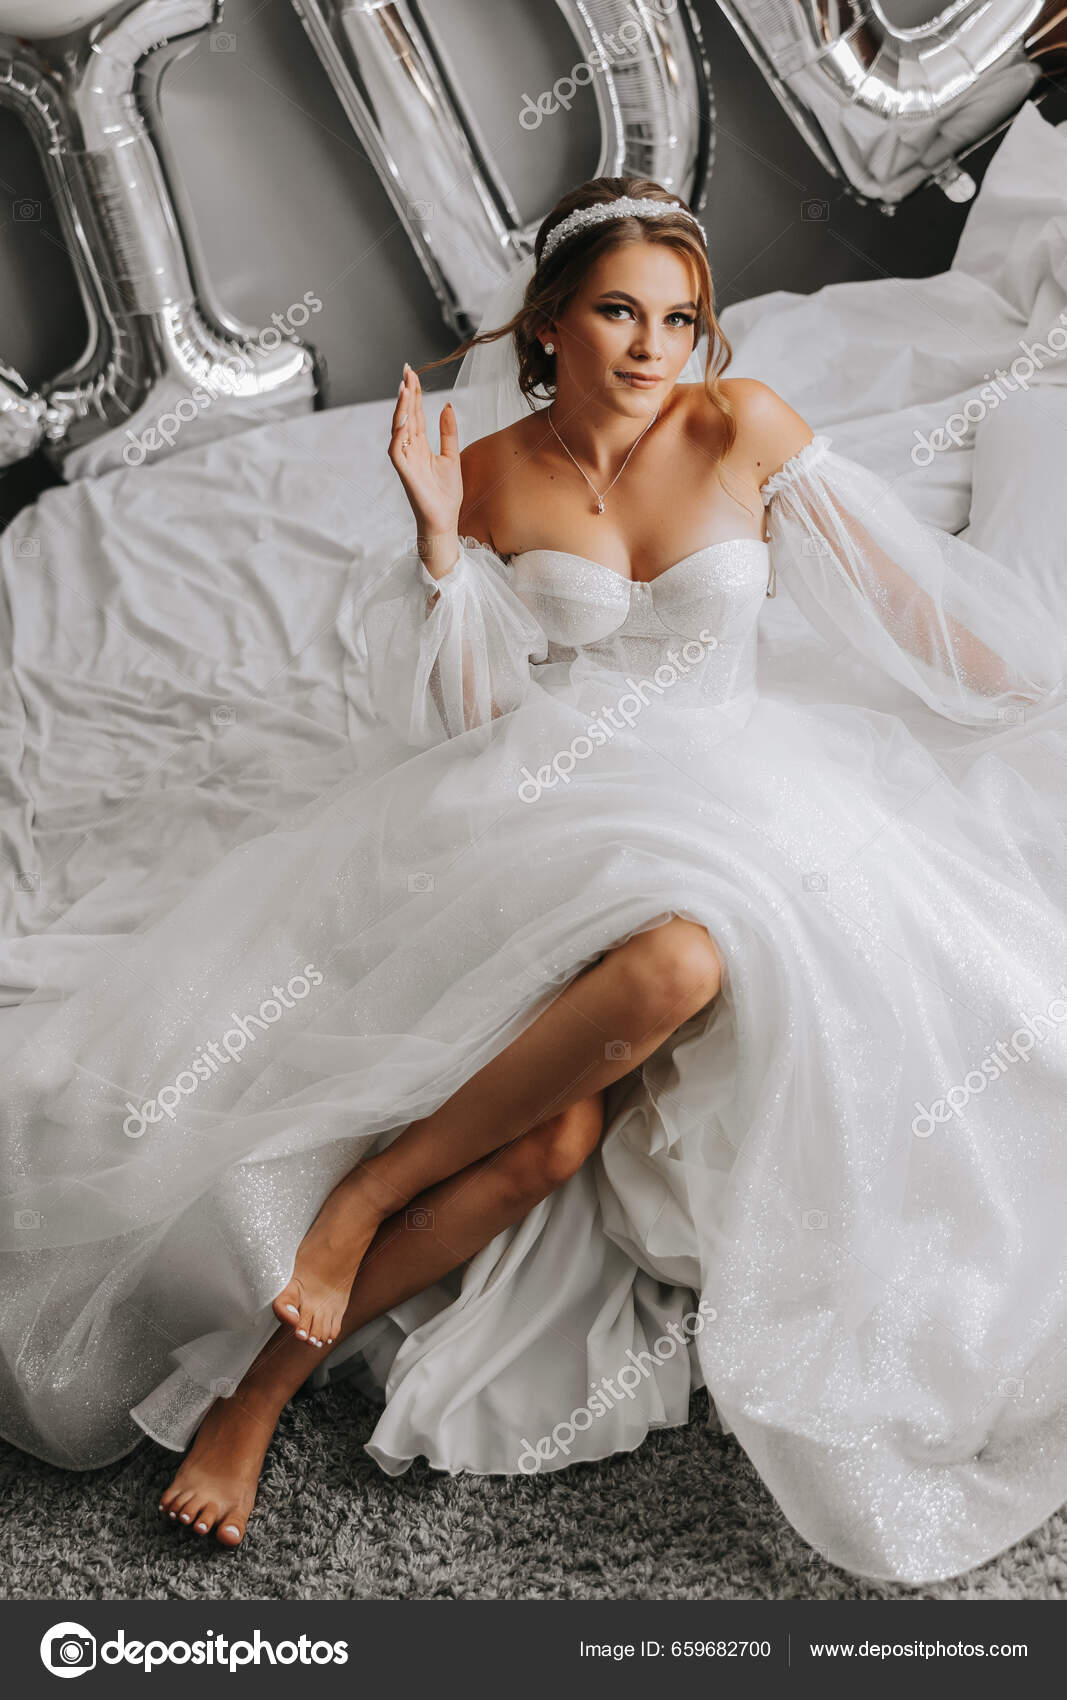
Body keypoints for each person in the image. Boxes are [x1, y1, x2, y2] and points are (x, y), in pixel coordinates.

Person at [3, 177, 1067, 1587]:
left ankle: (355, 1211)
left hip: (741, 795)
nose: (651, 347)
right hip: (552, 801)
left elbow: (908, 605)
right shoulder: (494, 467)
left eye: (681, 318)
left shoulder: (740, 429)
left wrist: (1019, 687)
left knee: (689, 966)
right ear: (552, 319)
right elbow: (473, 715)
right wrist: (443, 545)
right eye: (620, 311)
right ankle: (252, 1393)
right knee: (554, 1145)